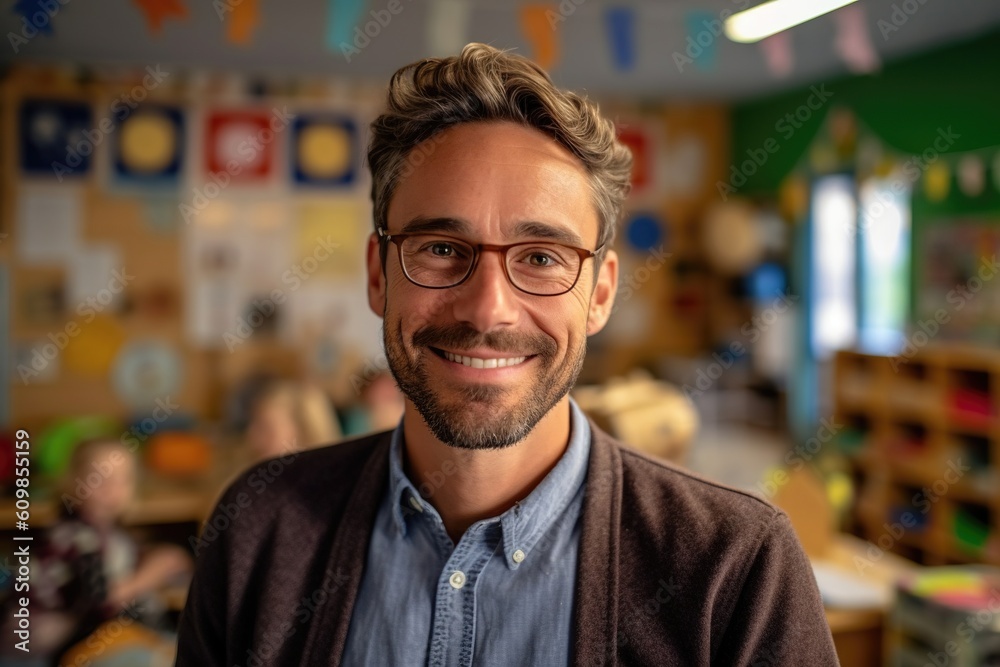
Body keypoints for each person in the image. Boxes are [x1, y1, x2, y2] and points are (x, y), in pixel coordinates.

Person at [176, 44, 838, 666]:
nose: (487, 308)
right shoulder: (257, 529)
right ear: (379, 274)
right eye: (440, 247)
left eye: (543, 257)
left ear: (600, 292)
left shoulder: (737, 568)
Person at [0, 438, 190, 666]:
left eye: (123, 479)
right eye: (100, 479)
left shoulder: (108, 533)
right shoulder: (74, 536)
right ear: (73, 482)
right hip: (42, 646)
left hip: (78, 636)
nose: (112, 489)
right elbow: (103, 602)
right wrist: (151, 574)